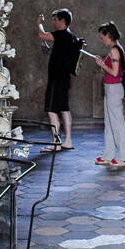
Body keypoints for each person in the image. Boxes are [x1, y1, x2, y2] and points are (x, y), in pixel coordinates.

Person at [37, 8, 81, 151]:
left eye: (55, 20)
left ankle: (56, 143)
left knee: (51, 110)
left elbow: (42, 35)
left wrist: (39, 23)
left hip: (56, 79)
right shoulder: (70, 36)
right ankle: (68, 141)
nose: (54, 22)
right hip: (64, 79)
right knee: (64, 109)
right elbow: (48, 49)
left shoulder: (61, 35)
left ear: (62, 21)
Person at [94, 21, 125, 170]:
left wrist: (101, 65)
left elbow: (115, 72)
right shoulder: (115, 49)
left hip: (114, 89)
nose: (101, 40)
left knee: (117, 124)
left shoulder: (115, 50)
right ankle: (108, 156)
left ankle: (124, 157)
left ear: (109, 35)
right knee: (109, 124)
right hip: (110, 88)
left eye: (102, 37)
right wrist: (103, 63)